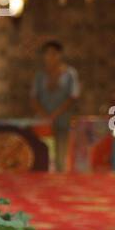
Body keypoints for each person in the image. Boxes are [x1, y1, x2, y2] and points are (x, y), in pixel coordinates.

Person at [30, 39, 80, 172]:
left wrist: (55, 114)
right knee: (41, 155)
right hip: (43, 121)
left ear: (60, 55)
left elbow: (73, 96)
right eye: (47, 54)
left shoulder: (70, 74)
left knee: (61, 156)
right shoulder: (40, 75)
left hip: (62, 120)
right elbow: (33, 97)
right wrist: (45, 115)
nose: (50, 57)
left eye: (53, 53)